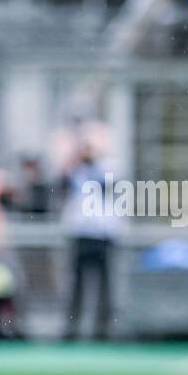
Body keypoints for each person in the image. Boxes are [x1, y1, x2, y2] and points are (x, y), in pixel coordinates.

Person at [61, 143, 120, 341]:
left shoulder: (104, 170)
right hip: (81, 234)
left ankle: (103, 331)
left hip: (102, 234)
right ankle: (72, 329)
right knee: (77, 285)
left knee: (104, 285)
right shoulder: (76, 172)